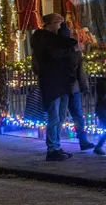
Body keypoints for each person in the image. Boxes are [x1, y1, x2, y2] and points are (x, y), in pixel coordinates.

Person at [28, 13, 78, 160]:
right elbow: (53, 55)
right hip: (51, 81)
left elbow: (71, 55)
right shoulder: (41, 38)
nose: (59, 26)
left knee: (61, 115)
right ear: (49, 24)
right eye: (57, 23)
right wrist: (66, 44)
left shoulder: (60, 40)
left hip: (63, 81)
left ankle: (57, 145)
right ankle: (52, 148)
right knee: (54, 116)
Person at [61, 18, 93, 151]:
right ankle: (83, 140)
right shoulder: (75, 52)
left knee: (59, 116)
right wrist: (85, 87)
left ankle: (54, 143)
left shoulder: (57, 51)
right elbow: (81, 72)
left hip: (61, 87)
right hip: (72, 87)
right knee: (77, 115)